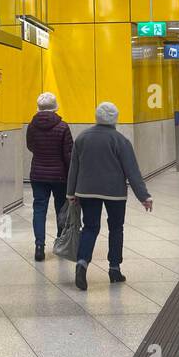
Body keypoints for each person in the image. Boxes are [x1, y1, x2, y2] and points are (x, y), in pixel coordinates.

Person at [66, 101, 152, 291]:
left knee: (90, 227)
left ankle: (82, 263)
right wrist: (144, 196)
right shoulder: (120, 140)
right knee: (116, 228)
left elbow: (74, 167)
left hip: (86, 191)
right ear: (116, 118)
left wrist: (71, 192)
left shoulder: (82, 138)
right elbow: (132, 171)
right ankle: (114, 269)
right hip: (115, 193)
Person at [25, 92, 73, 261]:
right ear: (55, 107)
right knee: (61, 208)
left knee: (39, 209)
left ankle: (39, 245)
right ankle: (60, 241)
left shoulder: (32, 126)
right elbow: (69, 154)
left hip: (38, 175)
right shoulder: (63, 127)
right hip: (60, 176)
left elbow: (30, 146)